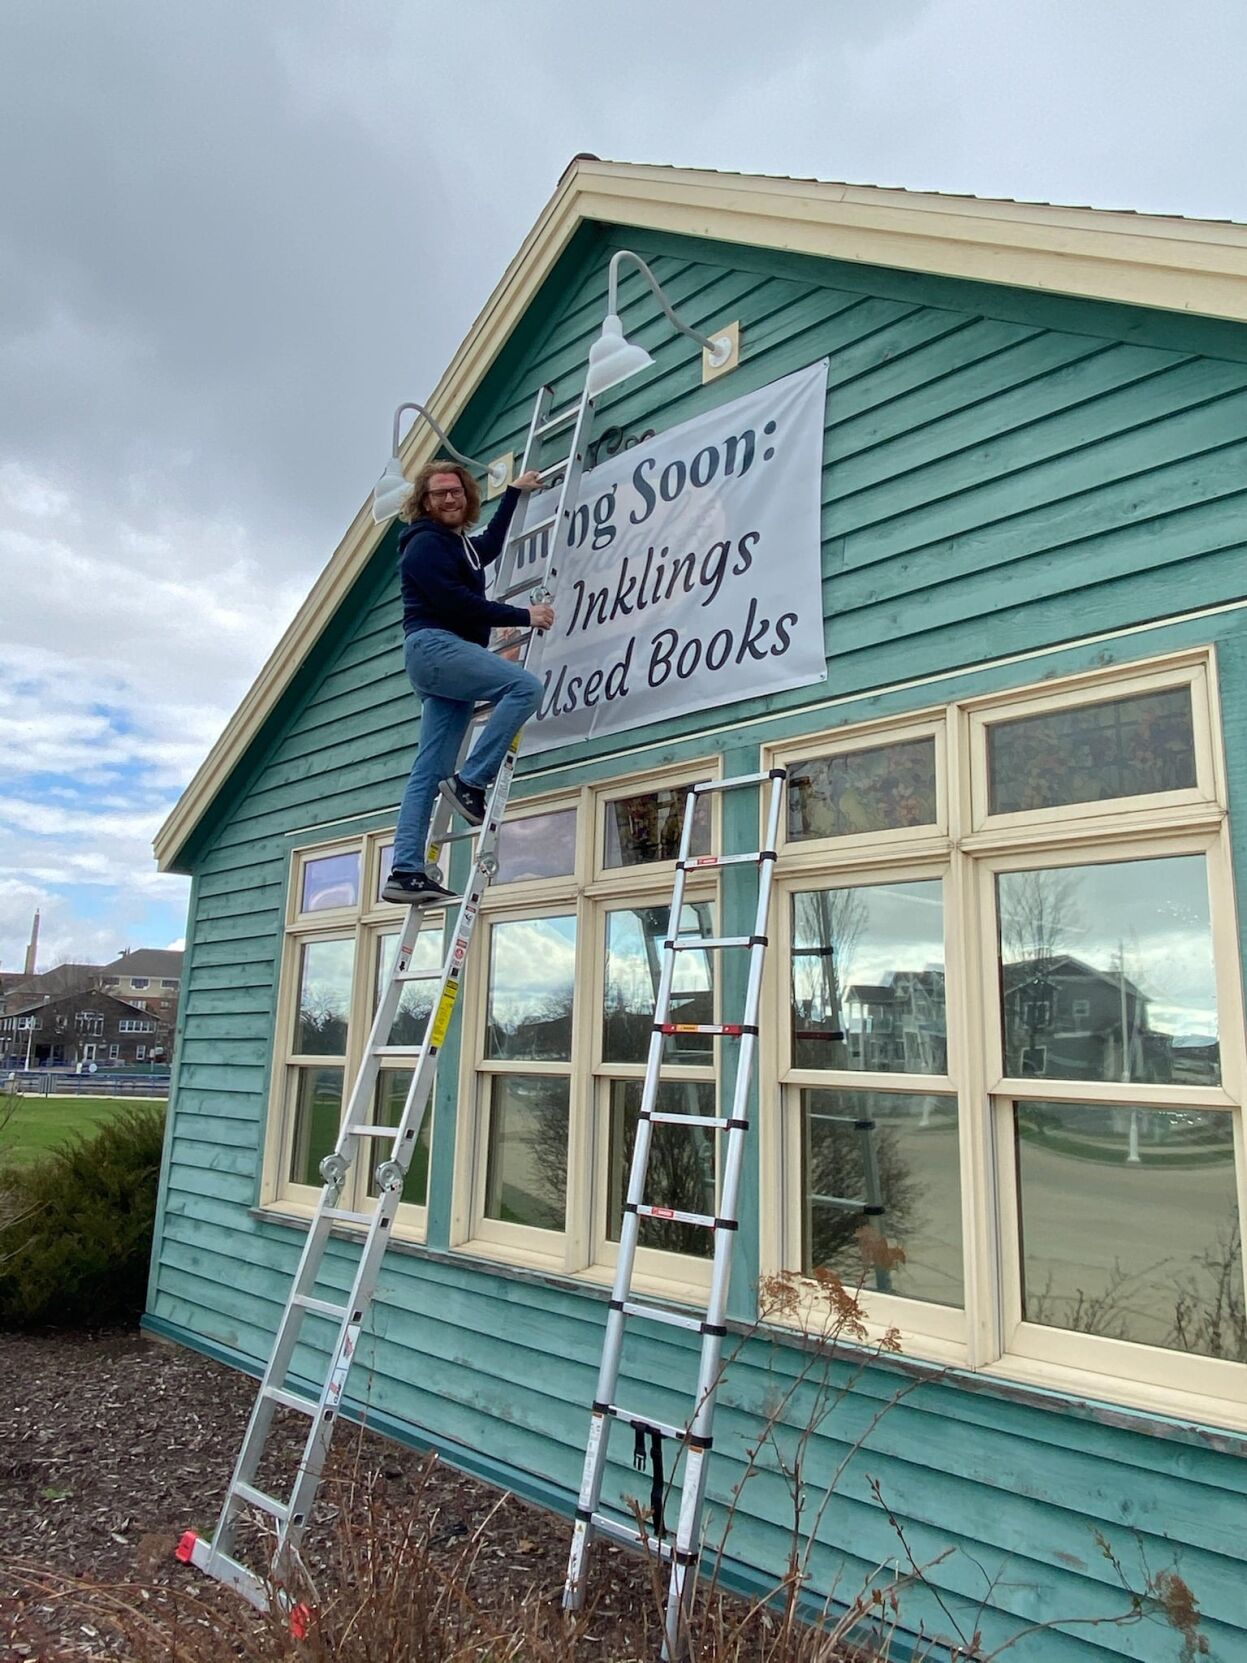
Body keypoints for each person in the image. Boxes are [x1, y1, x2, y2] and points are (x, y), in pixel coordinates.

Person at [382, 459, 555, 907]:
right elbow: (455, 603)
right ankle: (471, 782)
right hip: (435, 647)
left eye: (456, 491)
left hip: (445, 662)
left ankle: (405, 871)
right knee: (524, 688)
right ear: (424, 501)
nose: (449, 498)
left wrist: (514, 493)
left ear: (467, 496)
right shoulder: (424, 544)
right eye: (440, 492)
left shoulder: (458, 545)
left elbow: (489, 547)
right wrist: (525, 616)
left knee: (429, 770)